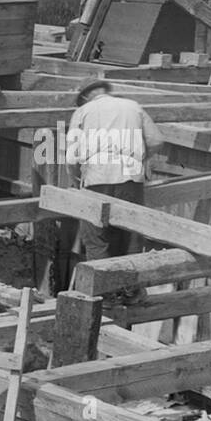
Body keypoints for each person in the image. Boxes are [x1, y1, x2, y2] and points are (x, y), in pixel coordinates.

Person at [67, 78, 165, 301]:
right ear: (106, 91)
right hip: (130, 179)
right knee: (130, 236)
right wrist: (139, 159)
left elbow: (71, 156)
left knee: (97, 238)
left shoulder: (83, 112)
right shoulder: (133, 106)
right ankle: (130, 292)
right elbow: (157, 140)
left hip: (96, 180)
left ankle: (104, 297)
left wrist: (75, 180)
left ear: (84, 97)